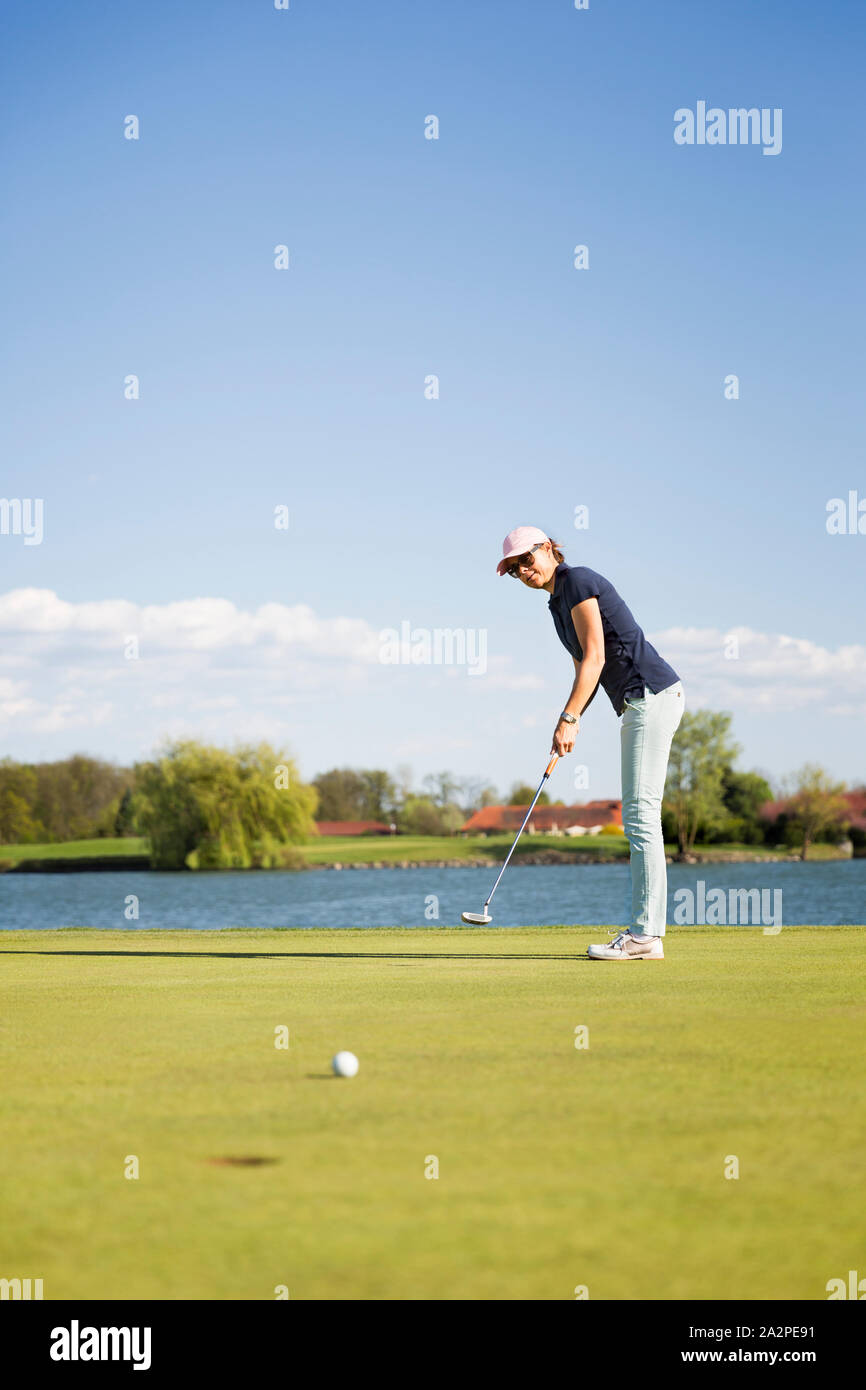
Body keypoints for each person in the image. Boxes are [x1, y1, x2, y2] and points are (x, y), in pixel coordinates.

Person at [496, 525, 684, 960]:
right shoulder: (555, 603)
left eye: (528, 560)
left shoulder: (577, 580)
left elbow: (596, 657)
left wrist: (569, 717)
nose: (524, 571)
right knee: (641, 814)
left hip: (649, 694)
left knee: (639, 815)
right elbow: (585, 665)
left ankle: (646, 936)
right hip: (640, 701)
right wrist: (571, 723)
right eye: (514, 570)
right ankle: (647, 934)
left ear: (548, 549)